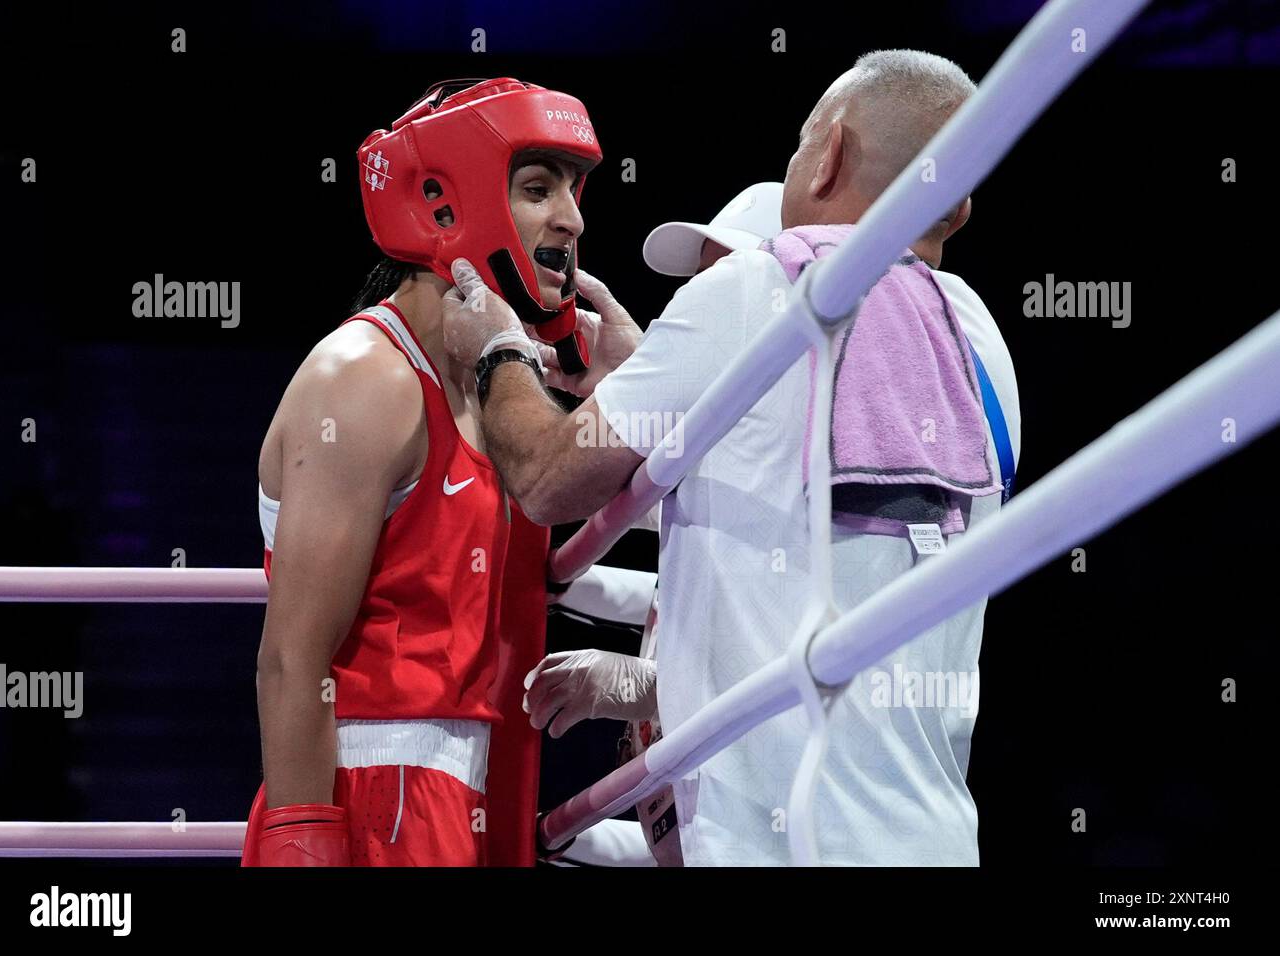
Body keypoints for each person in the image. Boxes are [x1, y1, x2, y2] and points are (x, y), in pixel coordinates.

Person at [442, 51, 1021, 865]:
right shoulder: (981, 346)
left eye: (798, 140)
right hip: (938, 837)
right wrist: (656, 380)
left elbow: (544, 479)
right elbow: (795, 483)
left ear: (831, 153)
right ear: (955, 208)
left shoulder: (762, 291)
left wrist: (495, 350)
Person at [240, 77, 604, 866]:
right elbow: (291, 658)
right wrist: (304, 842)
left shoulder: (495, 388)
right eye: (539, 189)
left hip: (463, 794)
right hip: (371, 800)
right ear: (446, 200)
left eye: (574, 191)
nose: (572, 219)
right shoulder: (364, 378)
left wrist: (619, 368)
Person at [539, 182, 784, 867]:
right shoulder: (713, 466)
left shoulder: (797, 470)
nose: (701, 299)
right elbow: (669, 832)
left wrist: (648, 686)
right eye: (701, 280)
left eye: (722, 279)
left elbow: (777, 676)